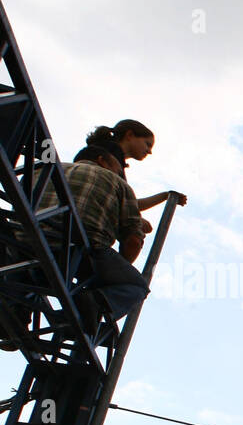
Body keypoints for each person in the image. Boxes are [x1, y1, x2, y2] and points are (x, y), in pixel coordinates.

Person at [39, 145, 150, 332]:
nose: (119, 172)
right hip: (79, 250)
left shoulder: (43, 169)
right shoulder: (117, 183)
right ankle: (92, 303)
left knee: (28, 268)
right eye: (117, 167)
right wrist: (115, 271)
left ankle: (18, 309)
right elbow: (133, 241)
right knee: (136, 285)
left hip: (24, 242)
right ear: (102, 160)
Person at [86, 120, 187, 212]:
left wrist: (165, 196)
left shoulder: (113, 157)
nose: (149, 151)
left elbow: (129, 205)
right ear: (129, 135)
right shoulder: (107, 153)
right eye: (147, 144)